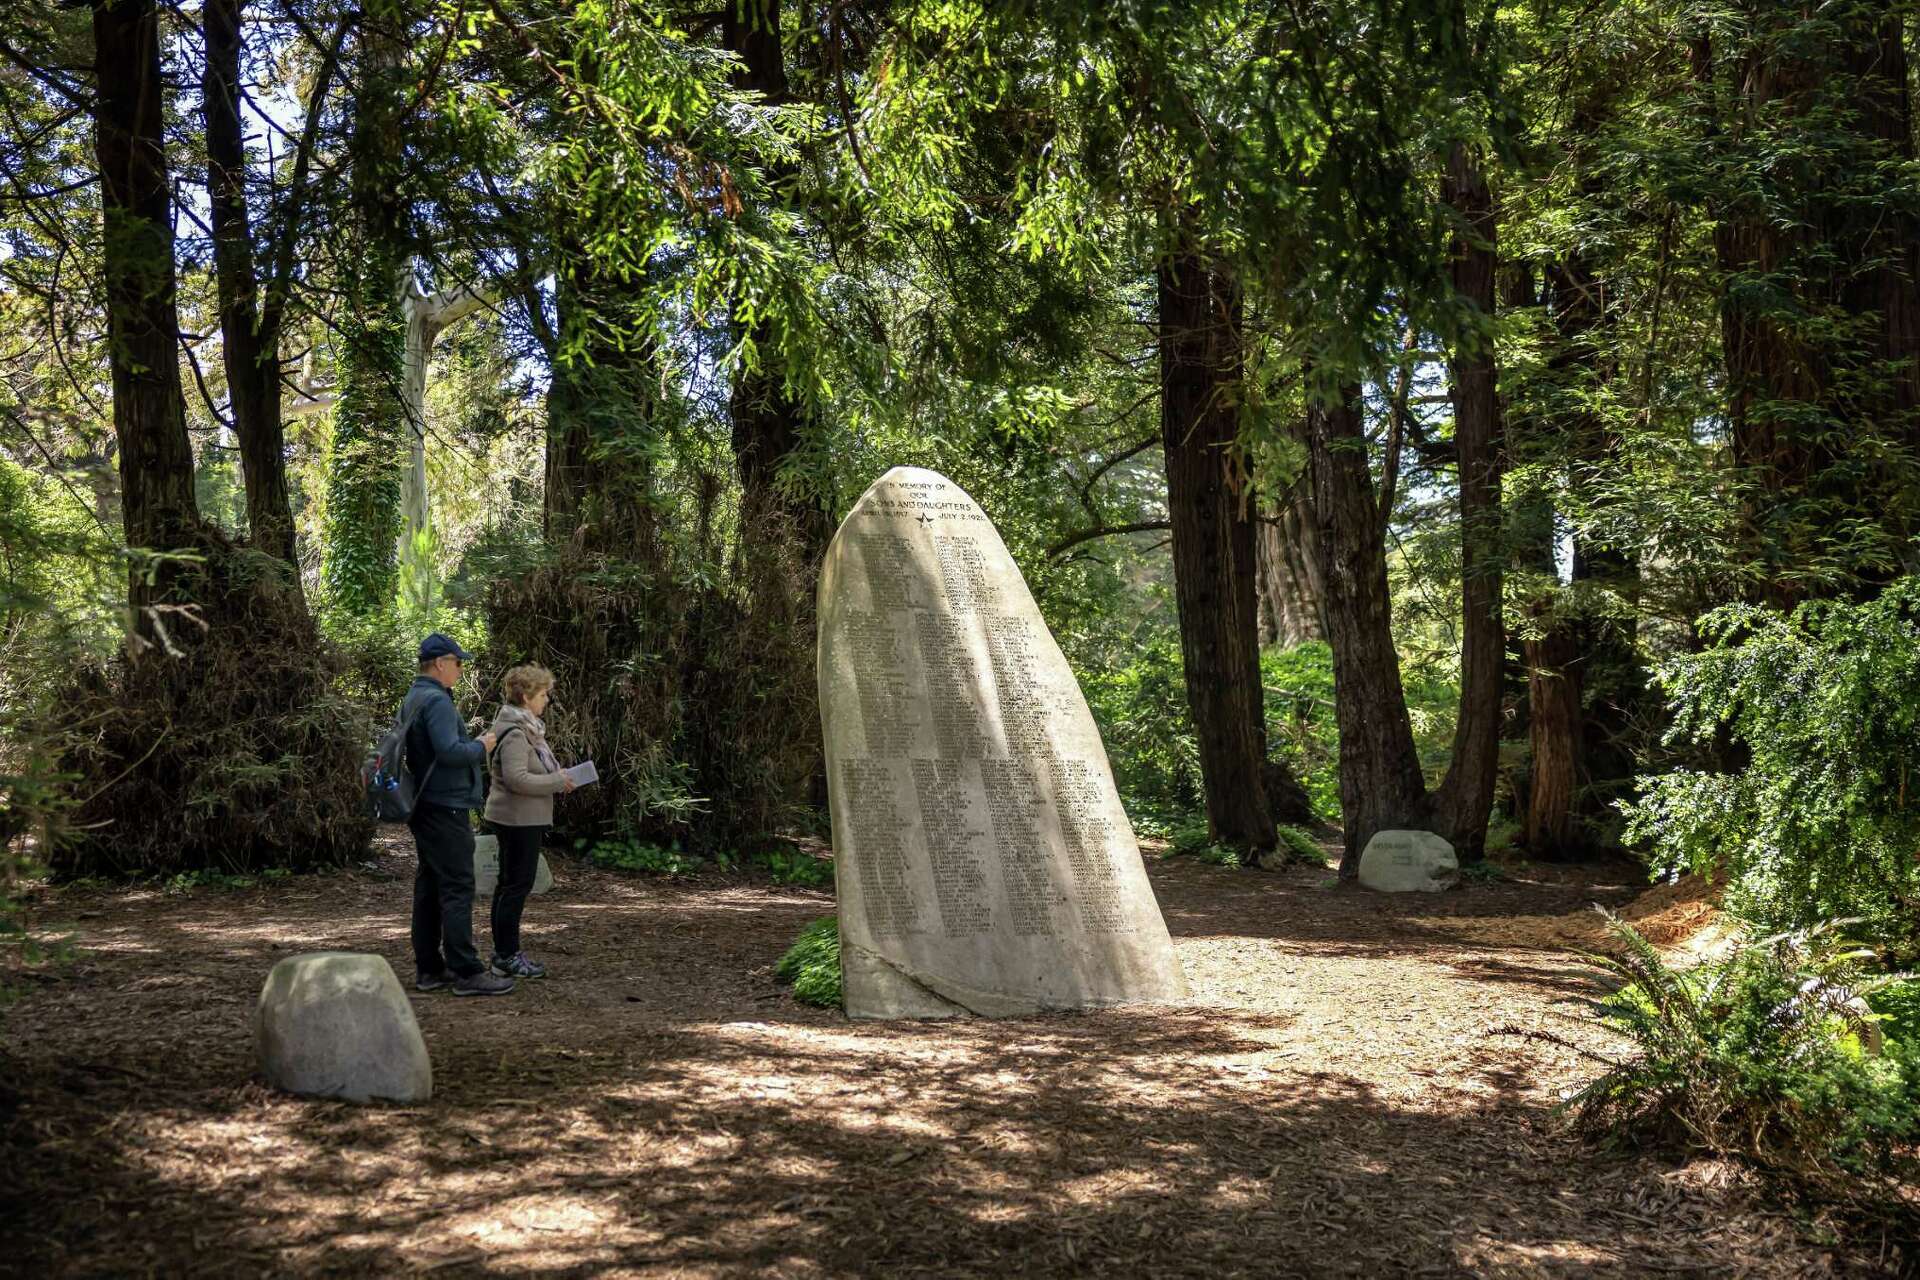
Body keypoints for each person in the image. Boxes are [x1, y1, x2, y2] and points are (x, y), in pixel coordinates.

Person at [404, 633, 515, 996]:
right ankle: (466, 971)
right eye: (457, 662)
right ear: (440, 663)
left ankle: (429, 968)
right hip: (444, 805)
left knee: (430, 885)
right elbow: (449, 752)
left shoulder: (415, 695)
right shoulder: (436, 700)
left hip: (426, 804)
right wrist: (481, 746)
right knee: (457, 885)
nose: (461, 669)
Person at [482, 664, 576, 979]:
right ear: (525, 697)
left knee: (509, 885)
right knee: (515, 887)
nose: (547, 700)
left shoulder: (525, 727)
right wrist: (556, 781)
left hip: (520, 817)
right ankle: (506, 956)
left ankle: (504, 954)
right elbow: (516, 779)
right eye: (543, 694)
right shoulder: (515, 733)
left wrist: (557, 777)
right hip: (517, 819)